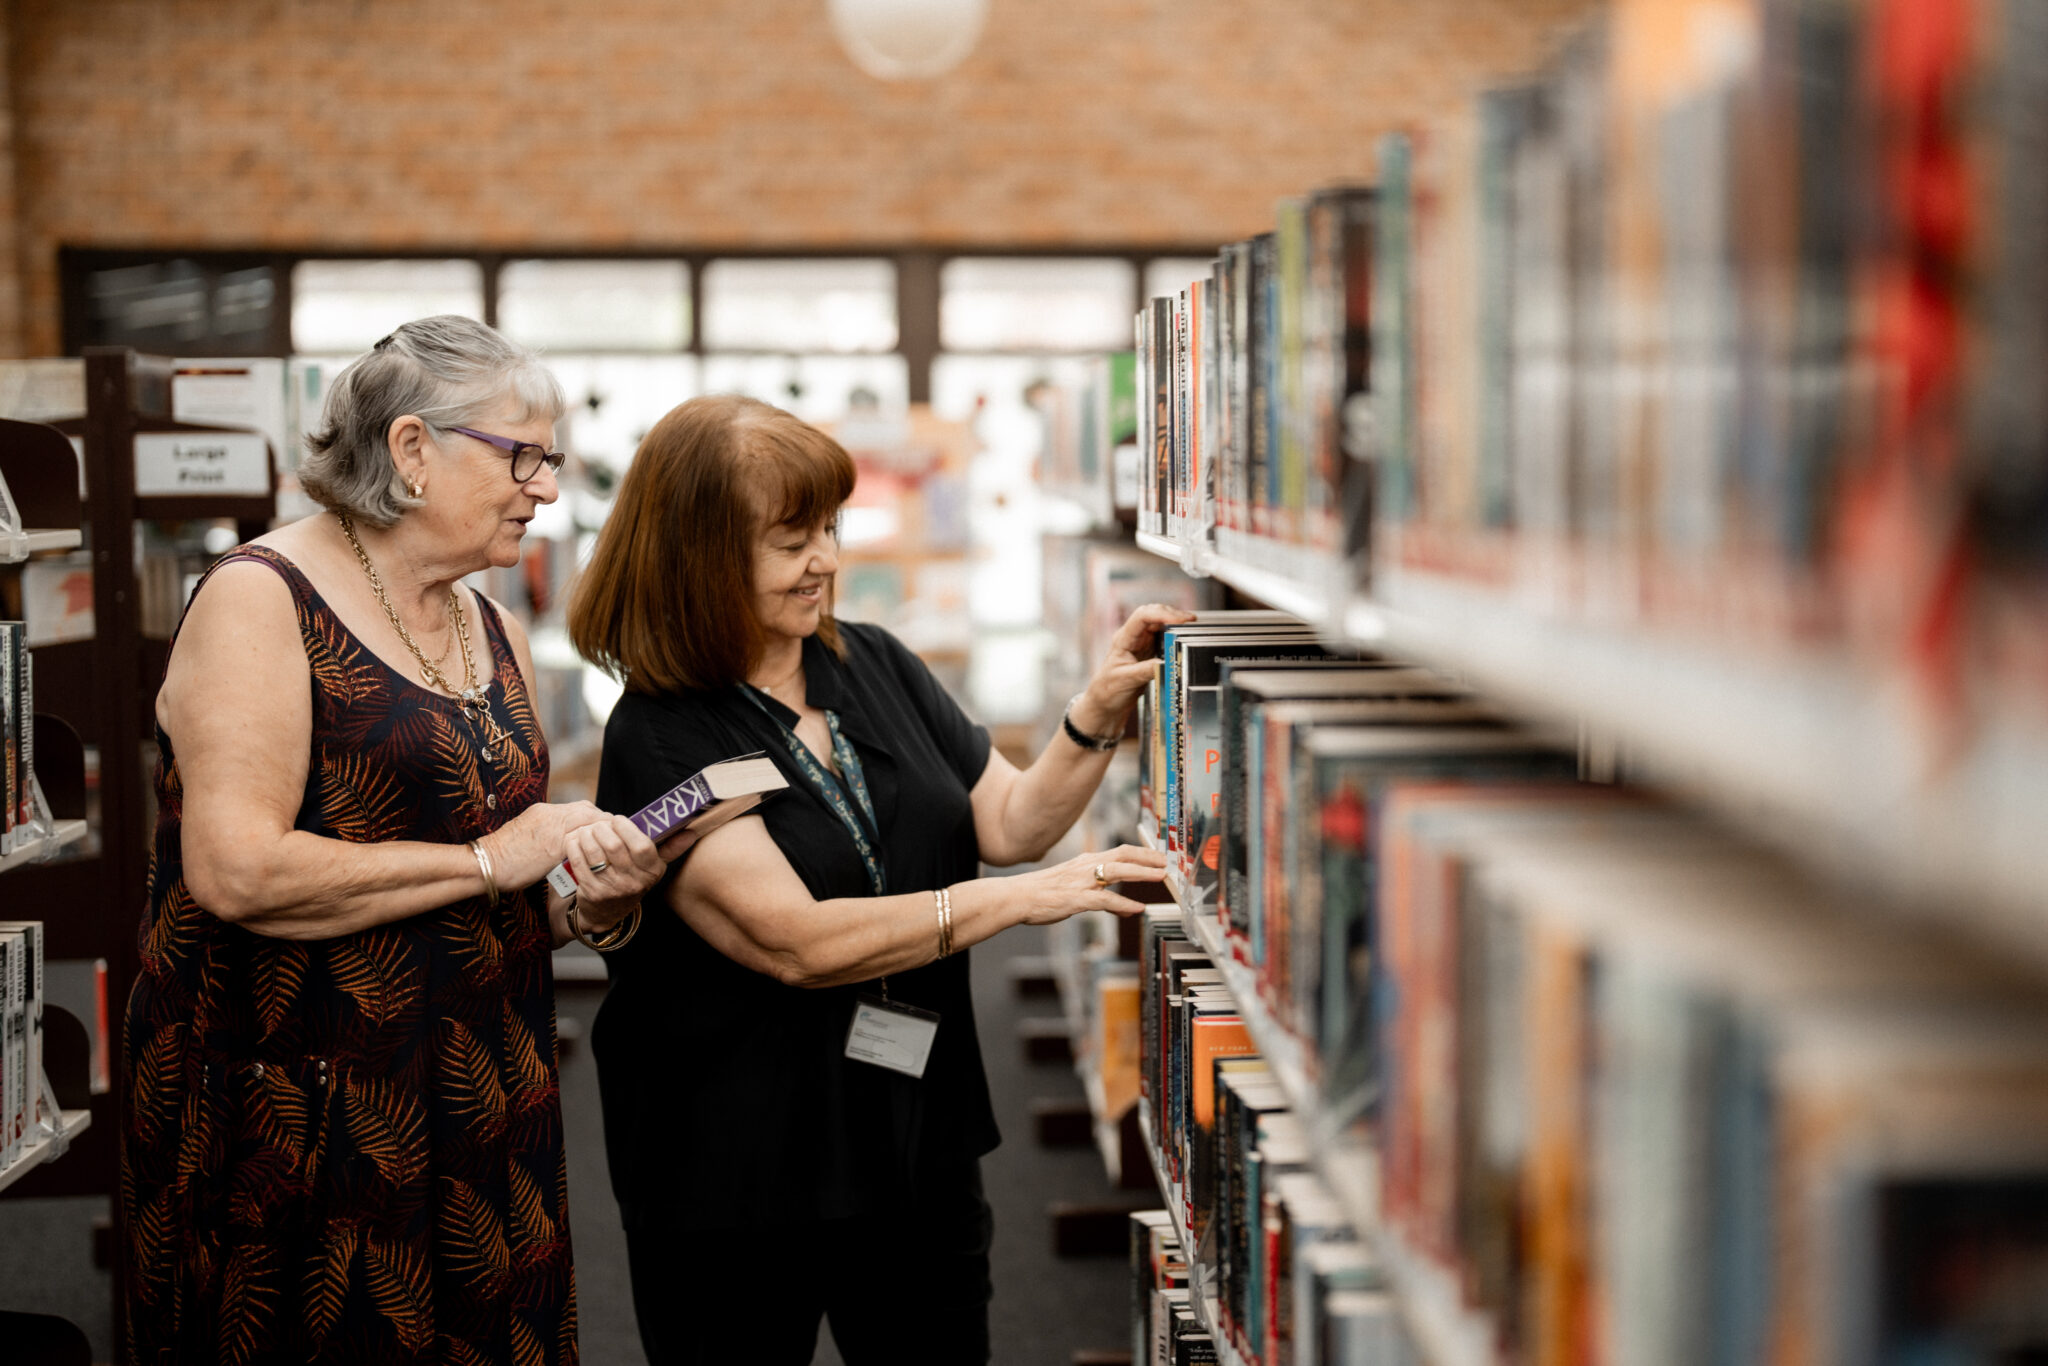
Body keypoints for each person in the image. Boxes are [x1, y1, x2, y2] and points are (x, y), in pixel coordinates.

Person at [565, 394, 1188, 1365]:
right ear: (697, 555)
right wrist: (1016, 903)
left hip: (913, 1137)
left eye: (827, 529)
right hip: (738, 1171)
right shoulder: (659, 731)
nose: (824, 559)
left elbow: (1011, 822)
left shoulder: (873, 662)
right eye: (788, 540)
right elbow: (795, 942)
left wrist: (1094, 714)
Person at [122, 316, 690, 1366]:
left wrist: (593, 898)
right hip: (305, 1109)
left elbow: (511, 877)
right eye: (522, 457)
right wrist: (488, 861)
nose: (548, 489)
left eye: (551, 461)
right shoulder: (260, 599)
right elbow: (236, 869)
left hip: (481, 1093)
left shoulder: (491, 623)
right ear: (413, 447)